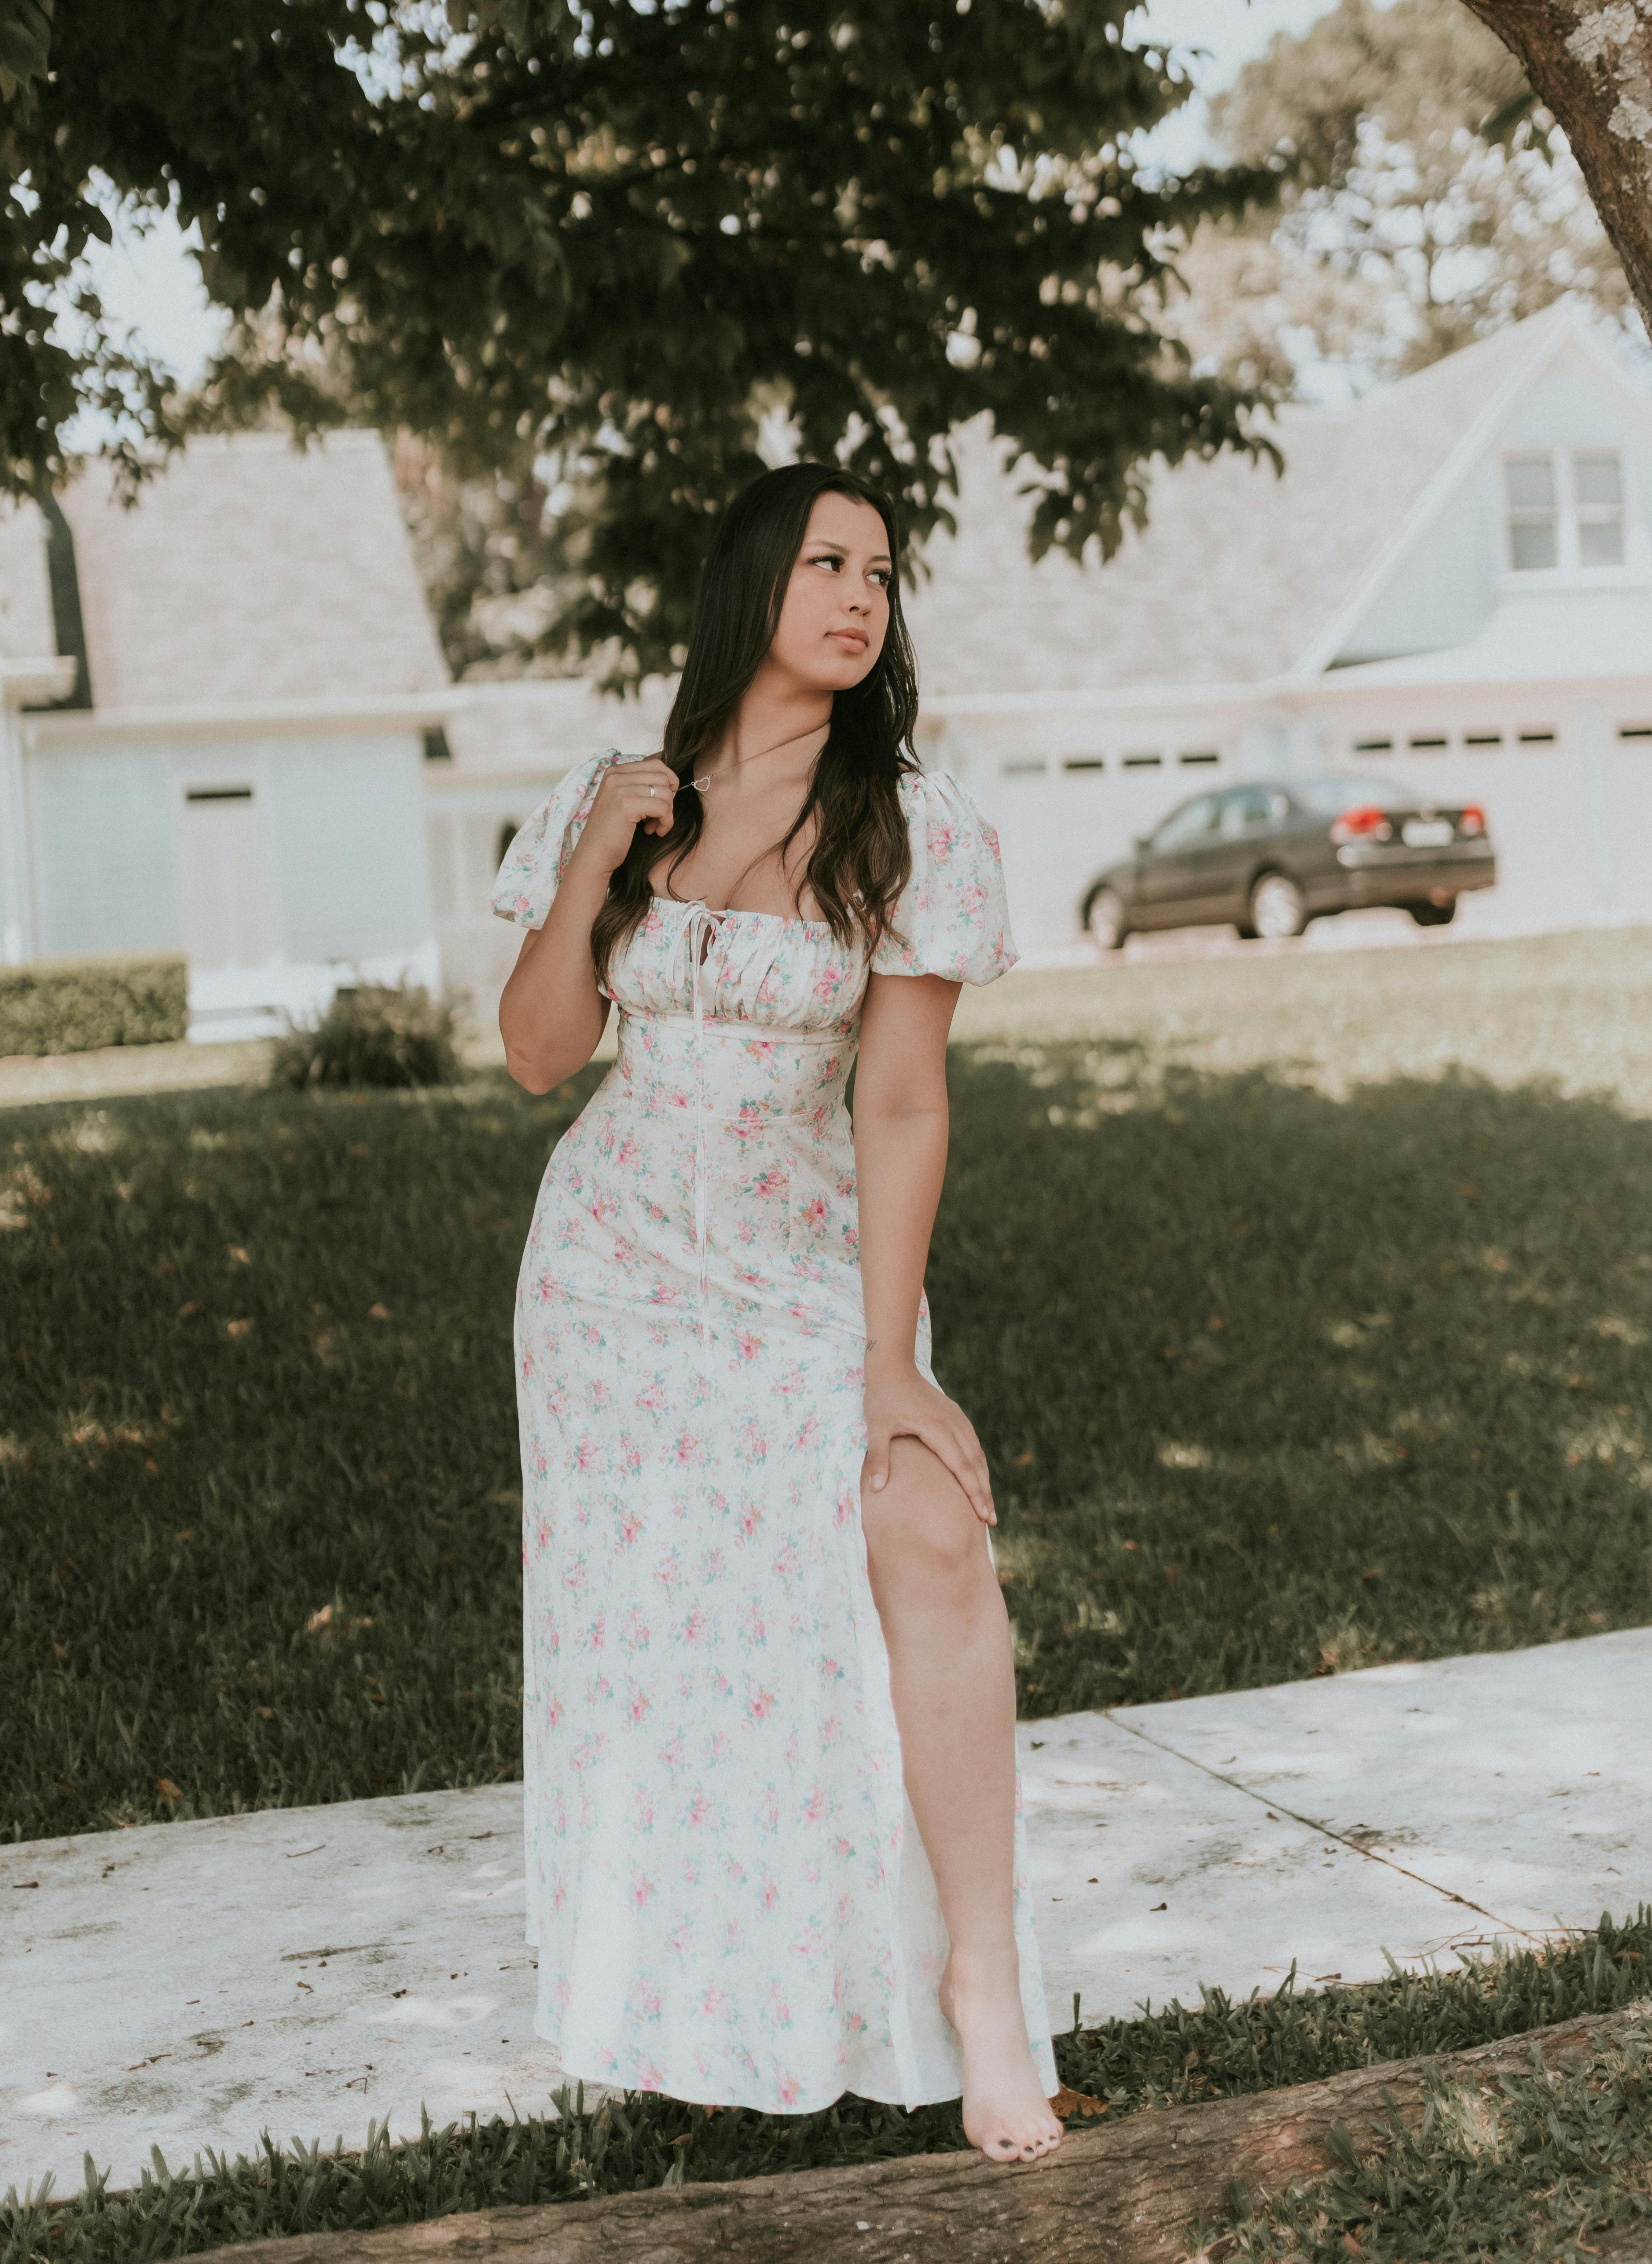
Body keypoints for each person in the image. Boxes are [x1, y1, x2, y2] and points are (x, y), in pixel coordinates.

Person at [492, 462, 1062, 2161]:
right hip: (609, 1277)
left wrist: (891, 1362)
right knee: (663, 1633)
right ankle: (676, 1996)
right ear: (754, 583)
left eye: (880, 571)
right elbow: (535, 1054)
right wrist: (599, 848)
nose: (860, 594)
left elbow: (899, 1106)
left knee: (926, 1538)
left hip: (798, 1266)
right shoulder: (625, 798)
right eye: (826, 562)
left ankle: (984, 1985)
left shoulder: (911, 820)